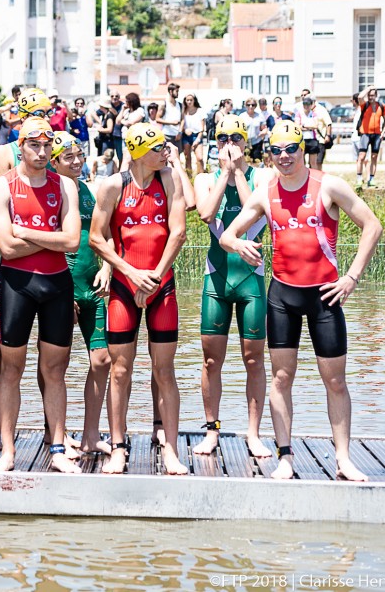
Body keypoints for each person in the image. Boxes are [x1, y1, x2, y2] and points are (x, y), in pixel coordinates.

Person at [221, 121, 383, 481]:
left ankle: (343, 459)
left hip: (325, 296)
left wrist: (351, 277)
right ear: (269, 154)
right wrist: (240, 244)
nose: (284, 157)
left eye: (290, 149)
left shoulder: (329, 186)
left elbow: (372, 226)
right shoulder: (266, 191)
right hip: (282, 296)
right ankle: (285, 458)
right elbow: (227, 235)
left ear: (303, 149)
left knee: (336, 381)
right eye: (276, 151)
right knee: (281, 377)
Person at [89, 122, 189, 476]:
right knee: (120, 371)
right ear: (136, 152)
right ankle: (118, 446)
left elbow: (178, 232)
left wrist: (156, 275)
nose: (165, 151)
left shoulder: (169, 180)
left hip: (161, 285)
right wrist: (130, 273)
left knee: (165, 370)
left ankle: (172, 449)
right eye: (157, 148)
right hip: (124, 287)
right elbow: (96, 238)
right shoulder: (113, 185)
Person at [0, 117, 81, 474]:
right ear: (20, 146)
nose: (42, 153)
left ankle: (56, 448)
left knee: (54, 371)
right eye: (34, 146)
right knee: (12, 369)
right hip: (17, 287)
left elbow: (71, 242)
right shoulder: (2, 187)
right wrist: (47, 236)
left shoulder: (65, 186)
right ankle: (8, 452)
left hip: (57, 285)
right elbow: (6, 248)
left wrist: (24, 230)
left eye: (47, 146)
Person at [192, 115, 272, 458]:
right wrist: (225, 173)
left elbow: (257, 212)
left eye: (235, 138)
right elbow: (207, 215)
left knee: (254, 360)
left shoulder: (264, 177)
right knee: (212, 362)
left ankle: (254, 433)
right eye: (222, 137)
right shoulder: (205, 178)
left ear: (246, 142)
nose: (228, 144)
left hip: (251, 278)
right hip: (217, 277)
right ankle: (213, 431)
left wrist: (239, 172)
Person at [50, 132, 112, 454]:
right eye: (68, 156)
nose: (76, 161)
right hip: (63, 290)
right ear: (54, 160)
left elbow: (108, 236)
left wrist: (107, 268)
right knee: (55, 365)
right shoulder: (52, 191)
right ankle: (54, 435)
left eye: (79, 155)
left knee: (102, 360)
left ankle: (91, 434)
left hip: (95, 289)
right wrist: (61, 289)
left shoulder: (88, 191)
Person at [356, 87, 385, 187]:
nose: (371, 97)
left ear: (376, 96)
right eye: (369, 95)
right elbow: (360, 96)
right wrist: (369, 87)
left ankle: (372, 178)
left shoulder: (381, 106)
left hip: (377, 134)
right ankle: (359, 178)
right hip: (365, 133)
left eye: (373, 95)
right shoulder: (364, 105)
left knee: (374, 157)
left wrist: (383, 133)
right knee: (362, 156)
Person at [294, 96, 323, 169]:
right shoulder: (299, 113)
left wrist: (305, 126)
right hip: (302, 139)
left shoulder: (313, 114)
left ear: (311, 105)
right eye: (304, 104)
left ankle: (314, 177)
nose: (306, 106)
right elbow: (297, 126)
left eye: (308, 104)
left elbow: (315, 125)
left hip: (312, 139)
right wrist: (308, 127)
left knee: (313, 162)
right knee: (301, 162)